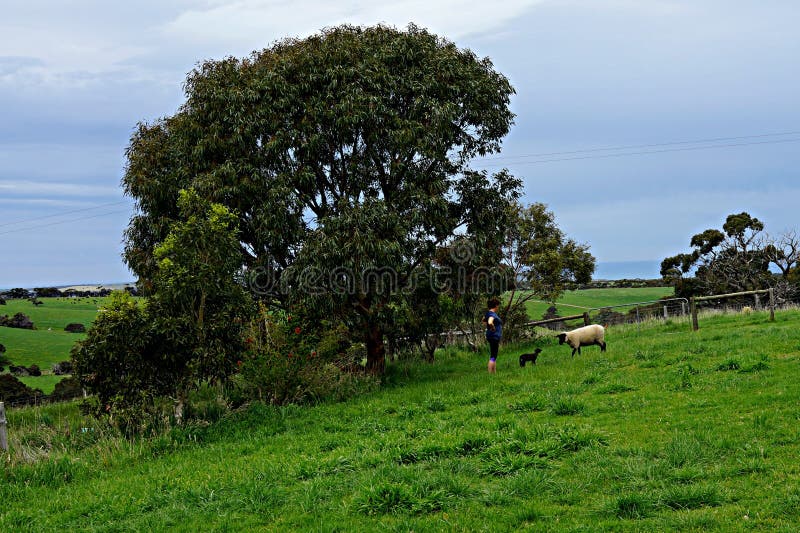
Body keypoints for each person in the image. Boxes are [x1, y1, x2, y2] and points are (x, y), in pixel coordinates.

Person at [482, 297, 503, 373]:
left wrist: (488, 326)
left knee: (494, 355)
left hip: (491, 336)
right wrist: (493, 327)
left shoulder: (488, 313)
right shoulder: (492, 314)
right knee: (493, 356)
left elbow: (484, 320)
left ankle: (494, 373)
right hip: (494, 336)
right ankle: (490, 373)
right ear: (496, 305)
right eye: (498, 306)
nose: (498, 307)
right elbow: (490, 322)